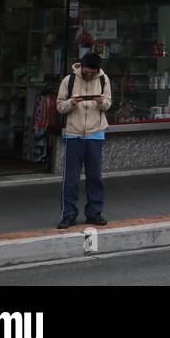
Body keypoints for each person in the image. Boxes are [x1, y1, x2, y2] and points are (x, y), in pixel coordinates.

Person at [55, 51, 112, 229]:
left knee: (95, 176)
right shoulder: (68, 80)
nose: (90, 74)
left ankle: (94, 212)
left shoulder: (103, 79)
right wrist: (72, 102)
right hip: (74, 133)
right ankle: (68, 214)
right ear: (81, 66)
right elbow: (59, 106)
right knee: (71, 178)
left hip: (96, 133)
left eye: (94, 72)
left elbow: (108, 103)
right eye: (88, 70)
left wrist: (100, 102)